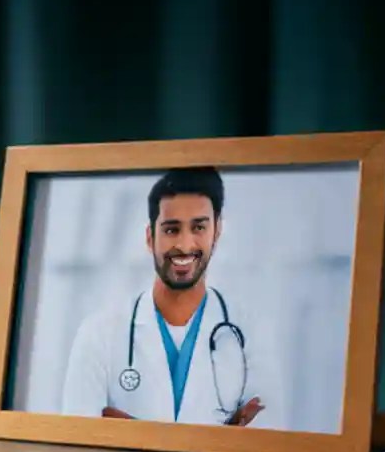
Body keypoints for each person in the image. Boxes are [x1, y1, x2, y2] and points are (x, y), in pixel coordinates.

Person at [60, 166, 274, 427]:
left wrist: (135, 436)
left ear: (216, 232)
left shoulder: (250, 333)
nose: (184, 245)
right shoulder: (98, 334)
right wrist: (220, 442)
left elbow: (266, 450)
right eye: (172, 230)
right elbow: (78, 448)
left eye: (198, 228)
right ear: (150, 238)